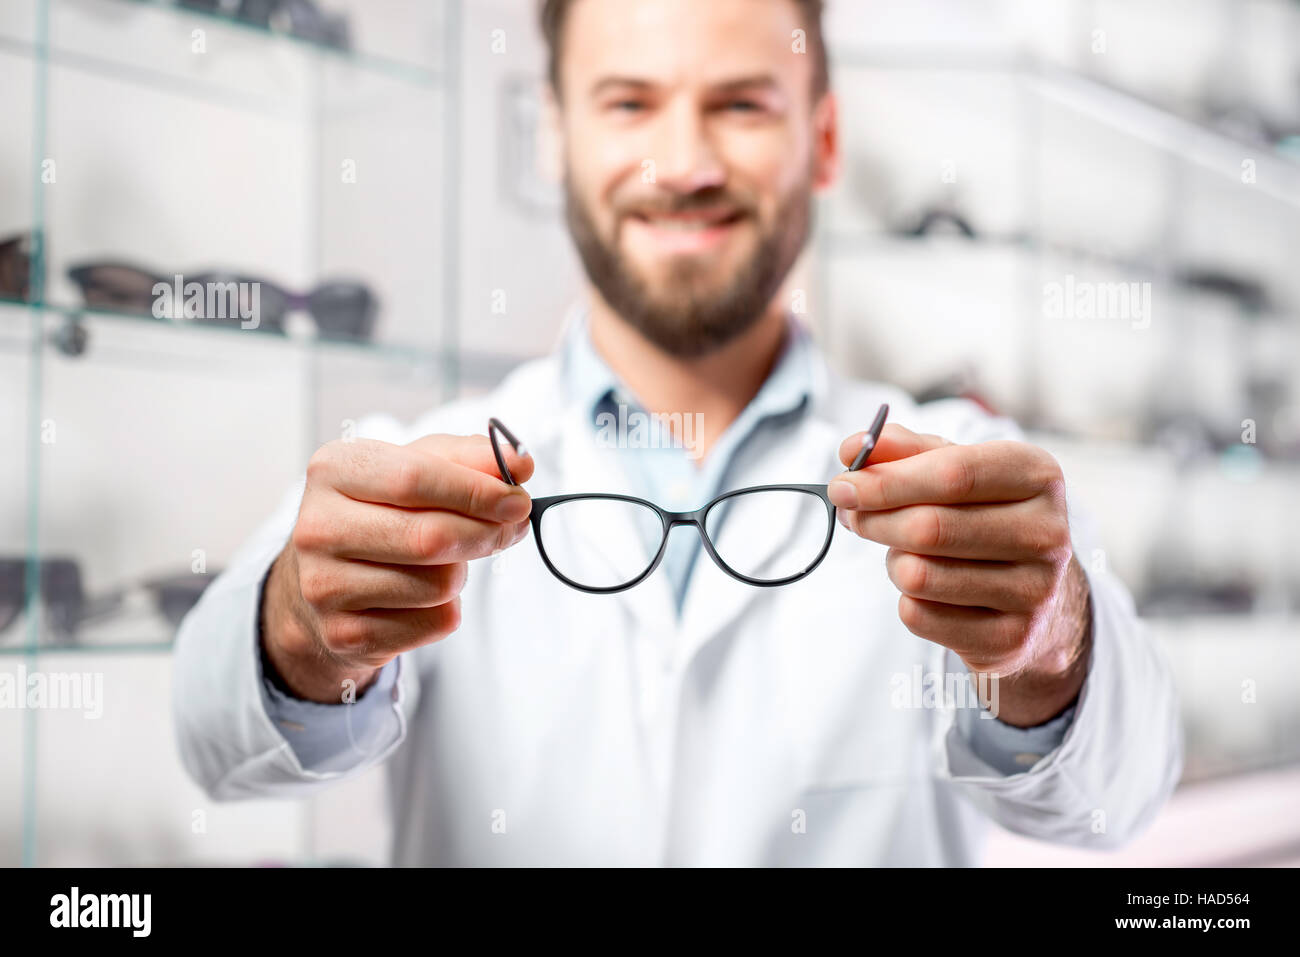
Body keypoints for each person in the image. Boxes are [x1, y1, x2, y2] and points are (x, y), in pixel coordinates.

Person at [173, 0, 1181, 865]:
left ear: (821, 141)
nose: (684, 163)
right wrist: (296, 637)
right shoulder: (411, 474)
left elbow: (1121, 791)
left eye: (741, 104)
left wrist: (1054, 649)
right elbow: (213, 742)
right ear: (553, 138)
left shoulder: (965, 479)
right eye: (628, 103)